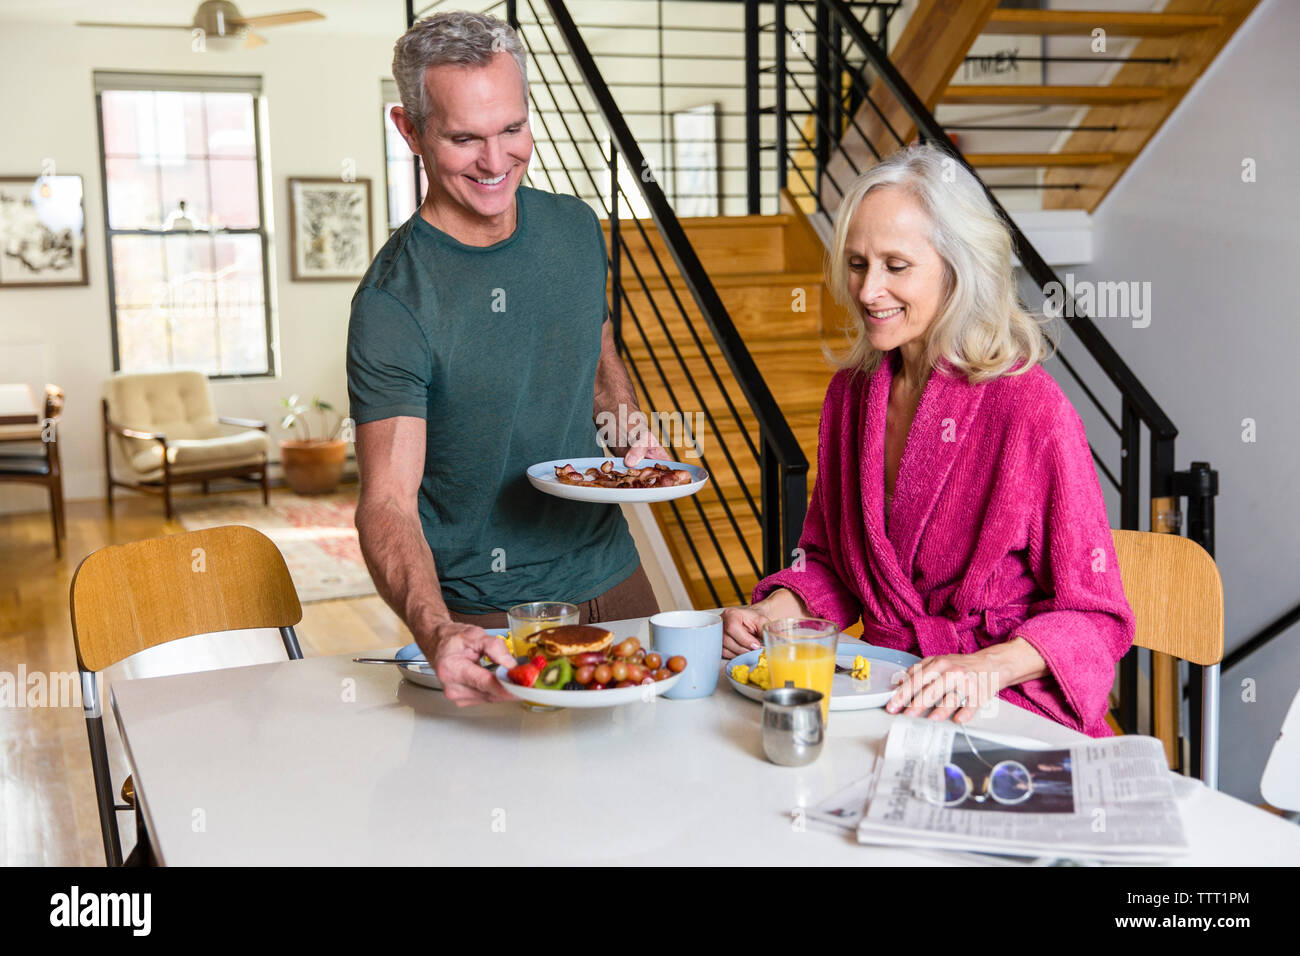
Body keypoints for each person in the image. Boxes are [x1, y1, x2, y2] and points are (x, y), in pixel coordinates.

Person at [721, 143, 1135, 738]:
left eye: (896, 266)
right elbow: (833, 565)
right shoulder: (850, 398)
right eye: (858, 263)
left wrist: (985, 667)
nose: (868, 291)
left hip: (1001, 705)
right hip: (890, 687)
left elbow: (1095, 614)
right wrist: (773, 614)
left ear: (957, 268)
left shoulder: (1030, 408)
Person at [348, 12, 664, 706]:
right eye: (464, 138)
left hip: (616, 579)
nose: (496, 163)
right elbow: (388, 501)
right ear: (410, 131)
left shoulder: (575, 229)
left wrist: (629, 432)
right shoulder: (393, 302)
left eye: (512, 129)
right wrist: (435, 627)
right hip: (489, 614)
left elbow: (596, 353)